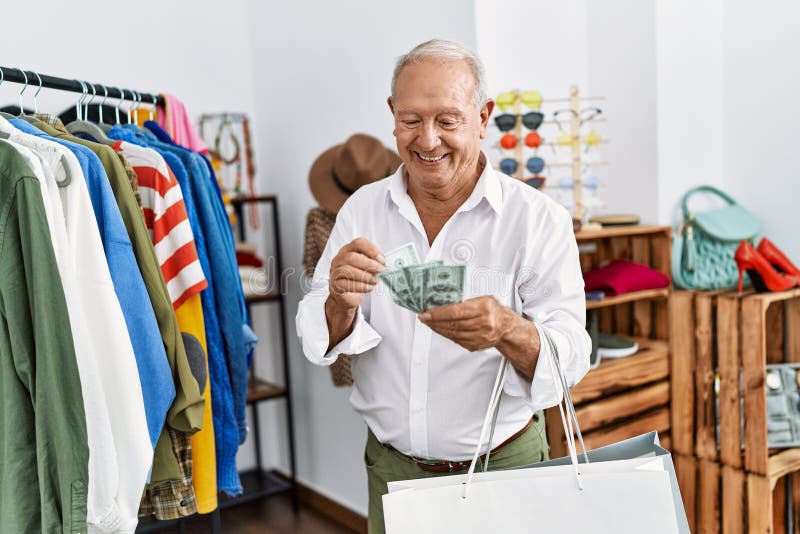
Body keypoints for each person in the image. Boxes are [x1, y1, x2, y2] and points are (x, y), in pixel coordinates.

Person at [296, 38, 591, 533]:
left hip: (506, 472)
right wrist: (339, 303)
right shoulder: (360, 211)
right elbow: (317, 329)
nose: (427, 140)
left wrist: (508, 329)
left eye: (447, 120)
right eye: (411, 120)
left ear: (483, 116)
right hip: (391, 472)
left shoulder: (538, 220)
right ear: (392, 114)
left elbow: (572, 358)